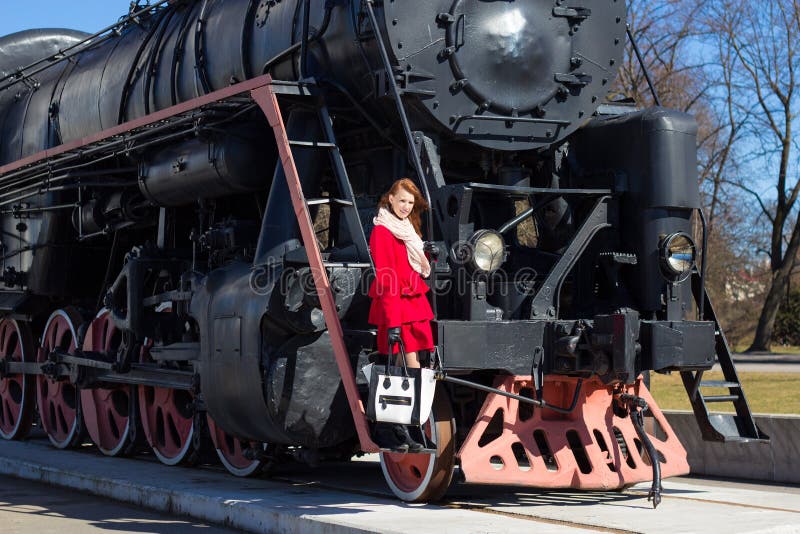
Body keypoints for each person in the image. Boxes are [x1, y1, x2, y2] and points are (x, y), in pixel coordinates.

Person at [368, 178, 434, 451]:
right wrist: (393, 323)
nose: (406, 206)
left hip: (412, 304)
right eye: (402, 200)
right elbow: (386, 279)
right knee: (402, 366)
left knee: (411, 366)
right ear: (390, 199)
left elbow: (414, 268)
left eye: (410, 202)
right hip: (397, 306)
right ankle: (396, 428)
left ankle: (408, 427)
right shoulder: (382, 232)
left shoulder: (408, 230)